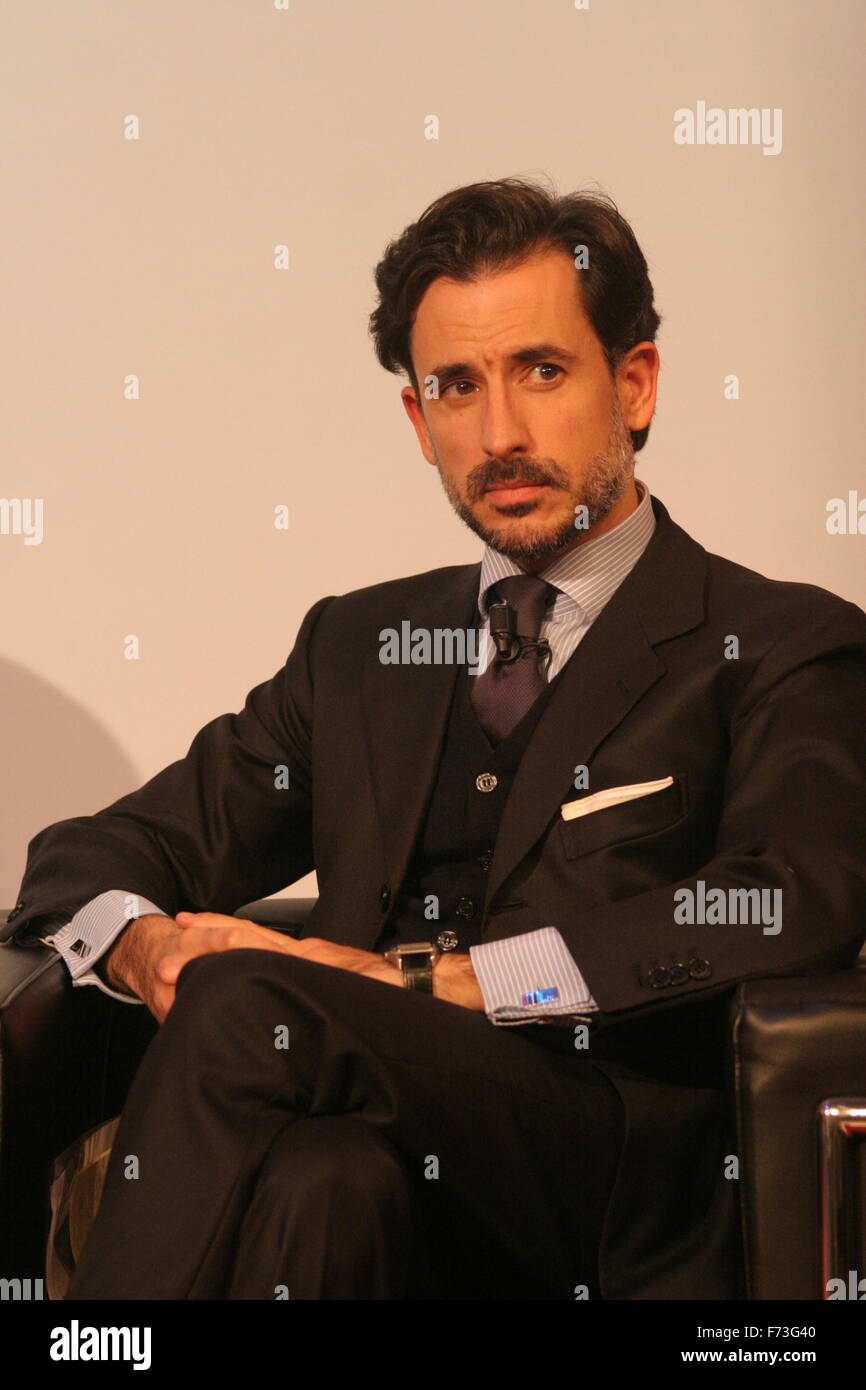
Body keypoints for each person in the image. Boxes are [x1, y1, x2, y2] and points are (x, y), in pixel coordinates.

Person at [5, 177, 866, 1301]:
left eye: (540, 372)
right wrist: (146, 948)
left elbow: (789, 897)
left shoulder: (779, 642)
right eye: (456, 386)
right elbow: (95, 850)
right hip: (376, 1148)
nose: (499, 433)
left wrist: (433, 983)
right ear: (417, 420)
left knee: (249, 998)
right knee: (325, 1177)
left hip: (606, 1170)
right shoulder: (360, 647)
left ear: (635, 383)